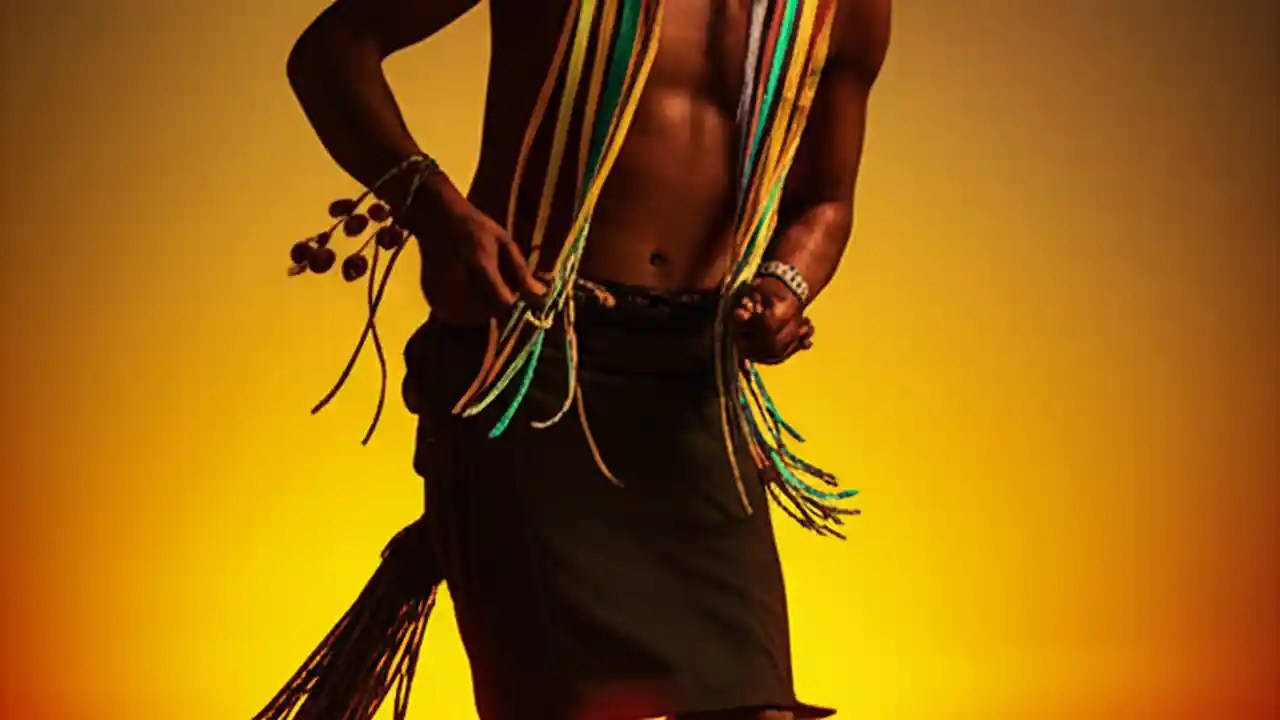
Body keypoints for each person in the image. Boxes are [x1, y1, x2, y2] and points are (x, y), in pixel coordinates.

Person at [260, 1, 890, 719]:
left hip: (692, 390)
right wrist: (437, 212)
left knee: (754, 704)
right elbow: (331, 54)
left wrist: (785, 283)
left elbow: (824, 201)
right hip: (526, 363)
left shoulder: (844, 9)